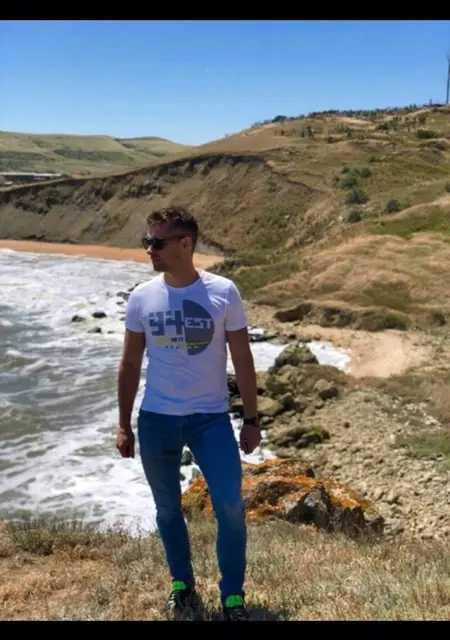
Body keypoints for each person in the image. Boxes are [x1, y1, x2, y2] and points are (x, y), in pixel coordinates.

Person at [115, 205, 261, 621]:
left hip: (211, 419)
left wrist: (251, 420)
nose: (149, 250)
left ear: (185, 244)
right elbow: (129, 363)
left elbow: (242, 359)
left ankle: (232, 596)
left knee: (230, 507)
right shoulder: (142, 296)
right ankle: (182, 585)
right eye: (147, 241)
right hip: (156, 419)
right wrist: (123, 424)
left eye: (157, 242)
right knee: (166, 509)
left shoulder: (223, 292)